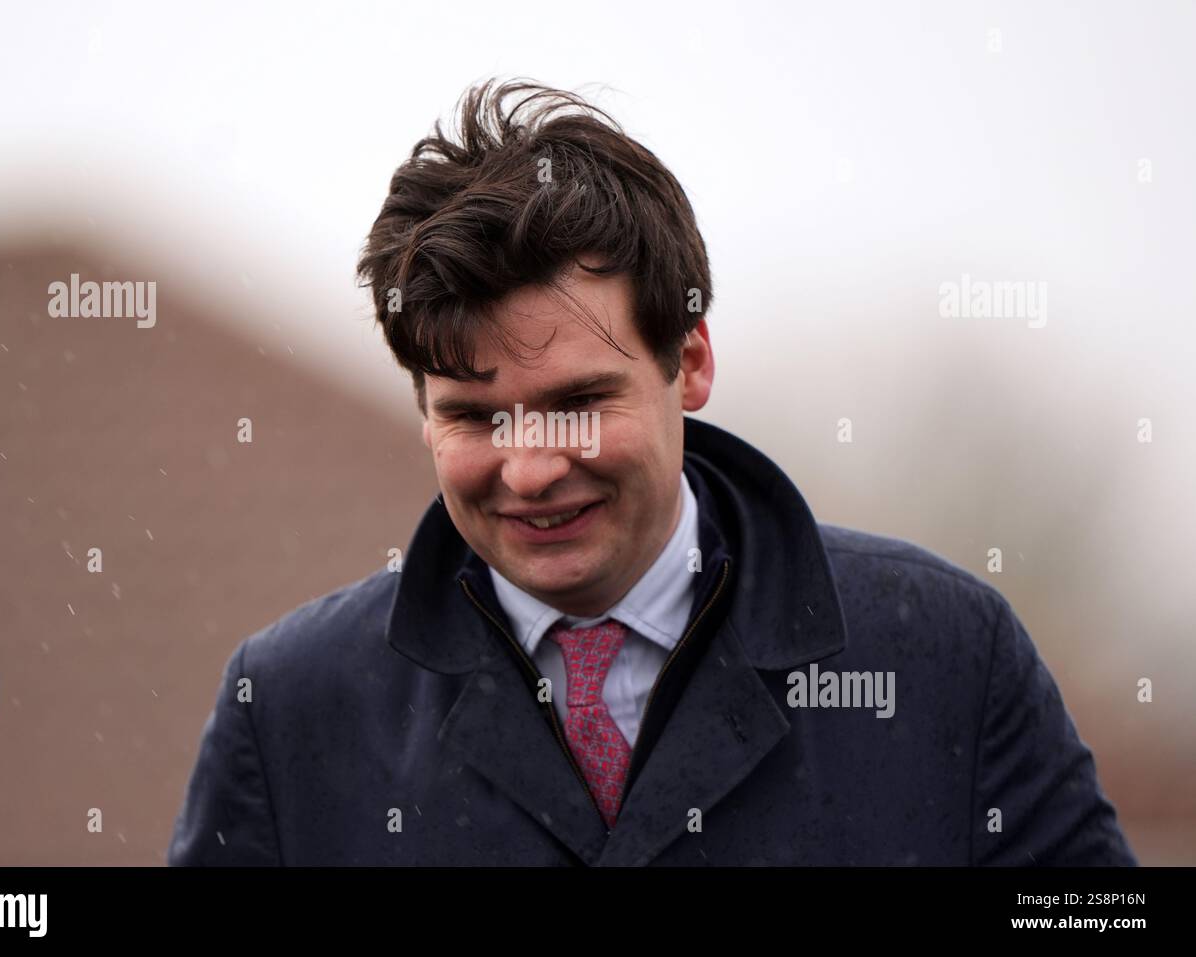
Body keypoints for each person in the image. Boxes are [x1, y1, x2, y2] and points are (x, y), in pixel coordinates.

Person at [168, 79, 1136, 866]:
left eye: (576, 404)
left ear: (693, 361)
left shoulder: (945, 664)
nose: (532, 468)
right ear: (422, 411)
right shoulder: (289, 714)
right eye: (473, 415)